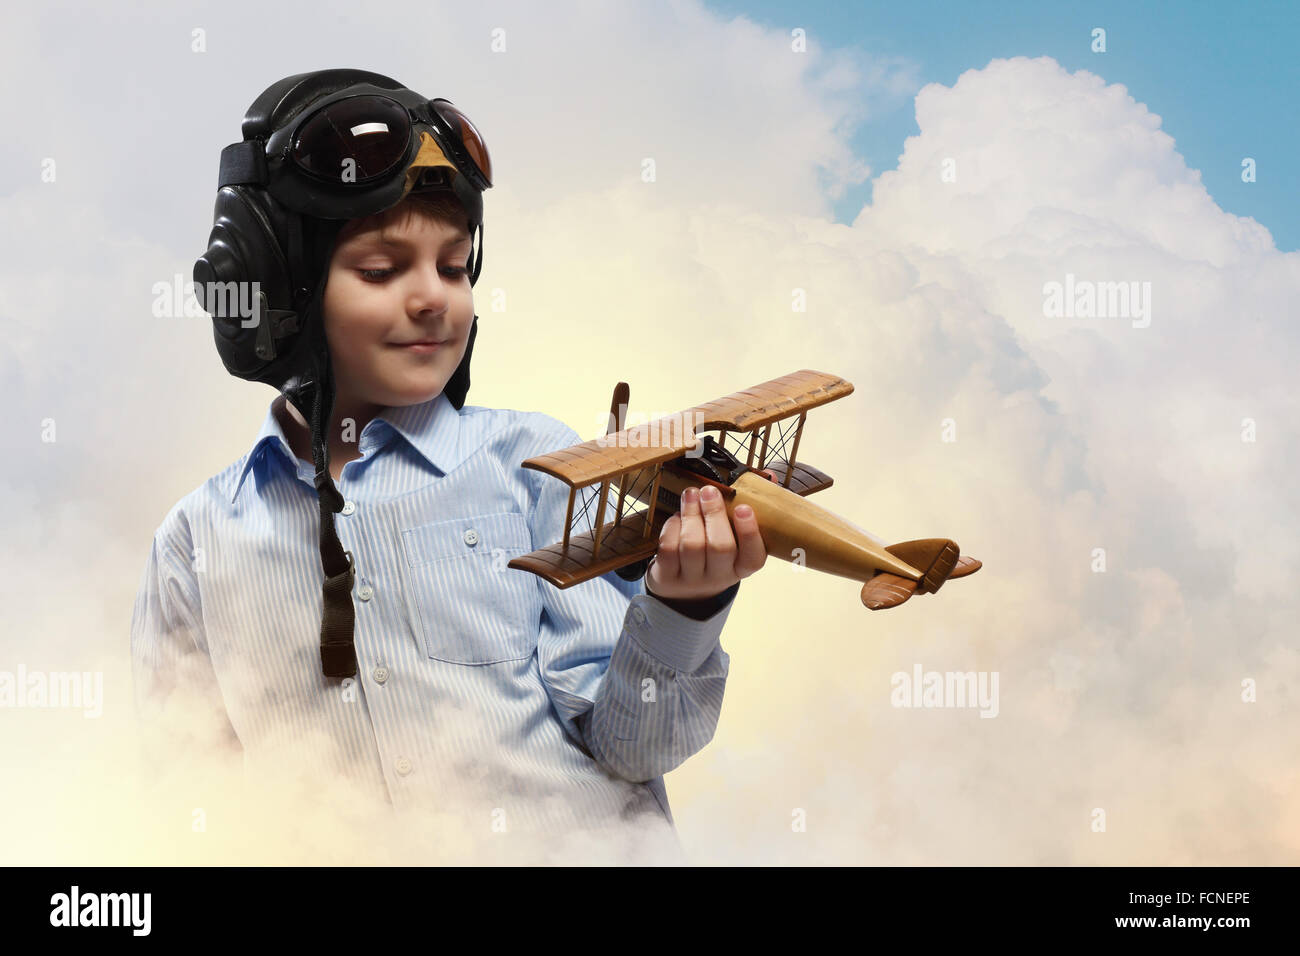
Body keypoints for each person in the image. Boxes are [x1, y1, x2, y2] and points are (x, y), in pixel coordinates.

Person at [130, 69, 766, 864]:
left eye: (455, 266)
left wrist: (685, 609)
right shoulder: (195, 543)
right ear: (270, 293)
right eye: (380, 270)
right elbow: (188, 795)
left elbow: (635, 748)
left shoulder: (537, 467)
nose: (435, 298)